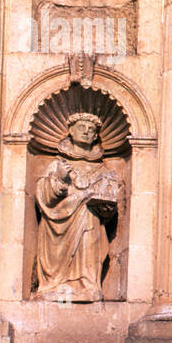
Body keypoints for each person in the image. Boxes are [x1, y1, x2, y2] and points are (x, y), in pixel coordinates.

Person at [34, 111, 122, 301]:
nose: (86, 132)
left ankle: (86, 282)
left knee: (90, 238)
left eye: (91, 130)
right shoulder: (58, 164)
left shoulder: (102, 169)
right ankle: (57, 283)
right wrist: (60, 180)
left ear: (96, 136)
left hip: (90, 222)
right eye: (81, 127)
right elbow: (43, 195)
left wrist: (106, 207)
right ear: (70, 131)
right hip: (60, 223)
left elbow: (109, 200)